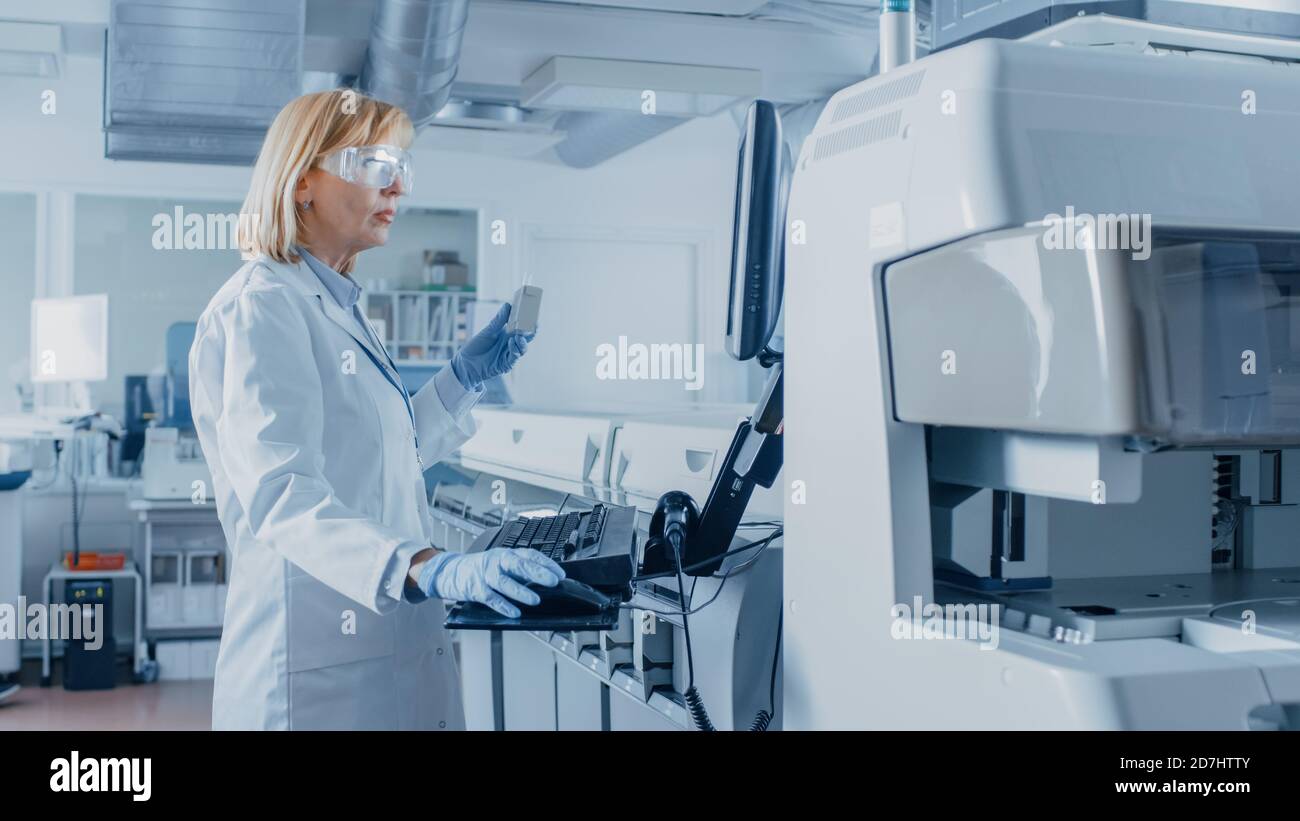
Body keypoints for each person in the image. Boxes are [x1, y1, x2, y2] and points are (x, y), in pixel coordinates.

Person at [189, 89, 562, 730]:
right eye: (372, 165)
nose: (396, 187)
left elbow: (384, 454)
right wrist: (428, 567)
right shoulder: (262, 307)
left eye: (401, 168)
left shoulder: (338, 303)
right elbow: (284, 495)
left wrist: (463, 377)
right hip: (311, 679)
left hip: (380, 655)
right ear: (301, 182)